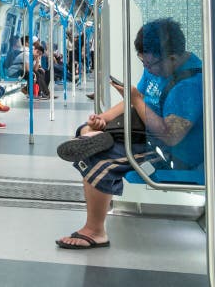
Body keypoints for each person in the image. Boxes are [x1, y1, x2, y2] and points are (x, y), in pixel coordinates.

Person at [54, 18, 203, 249]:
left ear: (172, 58)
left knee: (98, 161)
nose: (147, 69)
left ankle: (96, 231)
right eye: (142, 62)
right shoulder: (161, 67)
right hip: (146, 136)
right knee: (90, 130)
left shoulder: (189, 85)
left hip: (168, 155)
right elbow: (134, 100)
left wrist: (135, 99)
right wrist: (104, 118)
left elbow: (171, 137)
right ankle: (93, 134)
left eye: (149, 65)